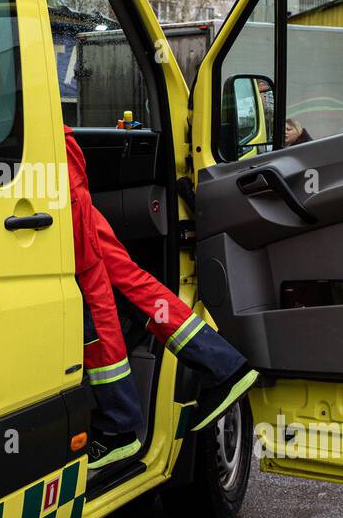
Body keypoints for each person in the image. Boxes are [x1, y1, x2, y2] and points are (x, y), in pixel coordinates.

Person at [65, 126, 258, 469]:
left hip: (60, 184)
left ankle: (119, 424)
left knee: (97, 297)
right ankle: (223, 364)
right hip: (64, 178)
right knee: (129, 284)